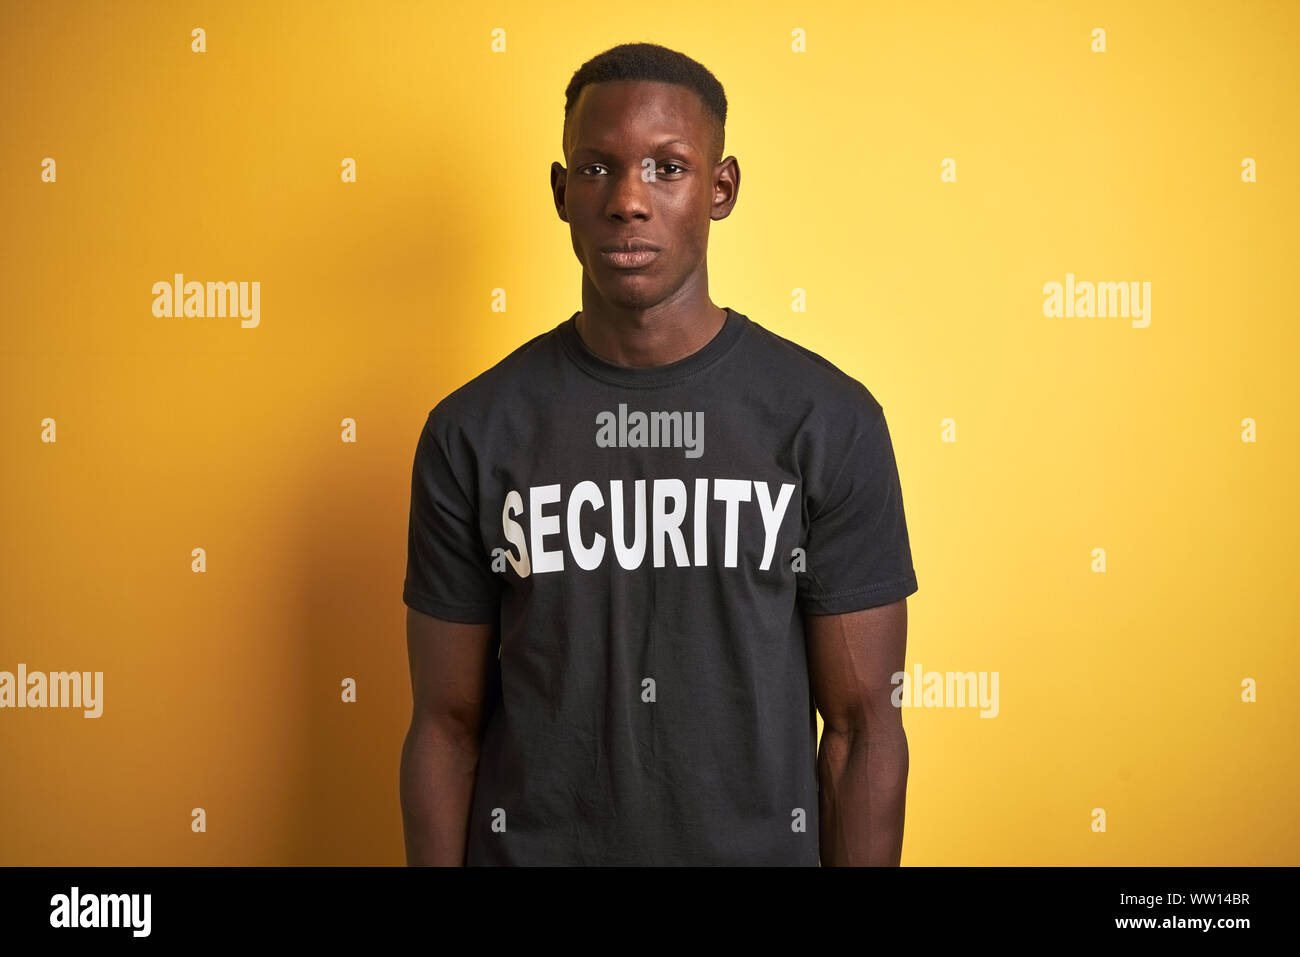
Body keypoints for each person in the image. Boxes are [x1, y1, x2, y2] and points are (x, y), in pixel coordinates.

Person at [399, 41, 918, 866]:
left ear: (722, 189)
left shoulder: (827, 420)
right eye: (598, 169)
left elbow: (862, 730)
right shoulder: (473, 430)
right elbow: (444, 726)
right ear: (562, 193)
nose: (629, 200)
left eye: (668, 168)